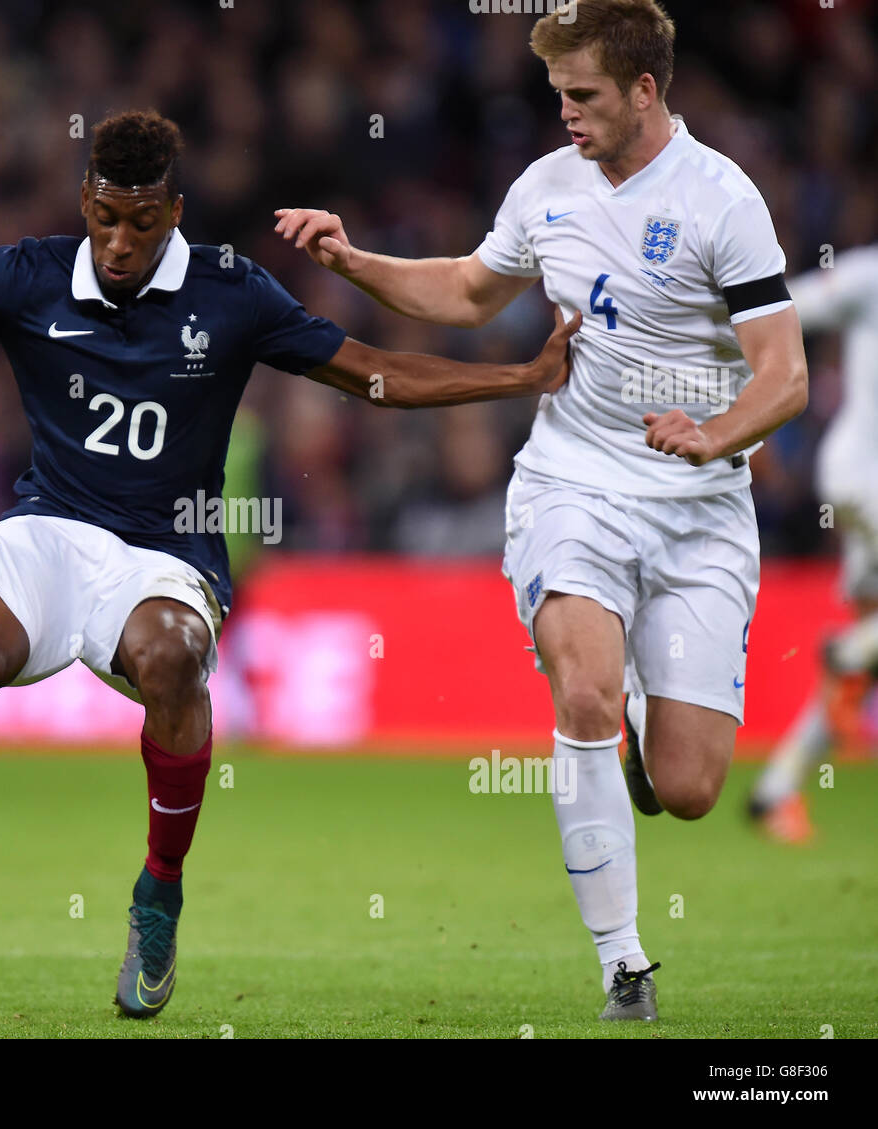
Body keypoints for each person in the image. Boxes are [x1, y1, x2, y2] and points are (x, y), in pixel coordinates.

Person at [0, 110, 577, 1018]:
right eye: (104, 217)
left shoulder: (235, 293)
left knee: (174, 657)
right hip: (48, 529)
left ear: (173, 211)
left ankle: (159, 894)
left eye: (140, 222)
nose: (119, 242)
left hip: (165, 551)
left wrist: (515, 378)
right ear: (85, 200)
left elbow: (374, 371)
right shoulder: (28, 275)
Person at [275, 0, 808, 1020]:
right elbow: (469, 293)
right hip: (573, 481)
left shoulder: (720, 200)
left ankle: (648, 727)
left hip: (698, 505)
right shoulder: (545, 187)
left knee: (691, 787)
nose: (562, 112)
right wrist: (355, 262)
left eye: (583, 95)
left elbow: (781, 378)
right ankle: (623, 963)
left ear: (645, 91)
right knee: (581, 697)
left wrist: (714, 434)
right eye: (556, 93)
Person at [749, 246, 878, 843]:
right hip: (870, 479)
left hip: (849, 474)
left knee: (868, 656)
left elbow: (775, 307)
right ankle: (852, 649)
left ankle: (778, 788)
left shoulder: (865, 272)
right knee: (861, 649)